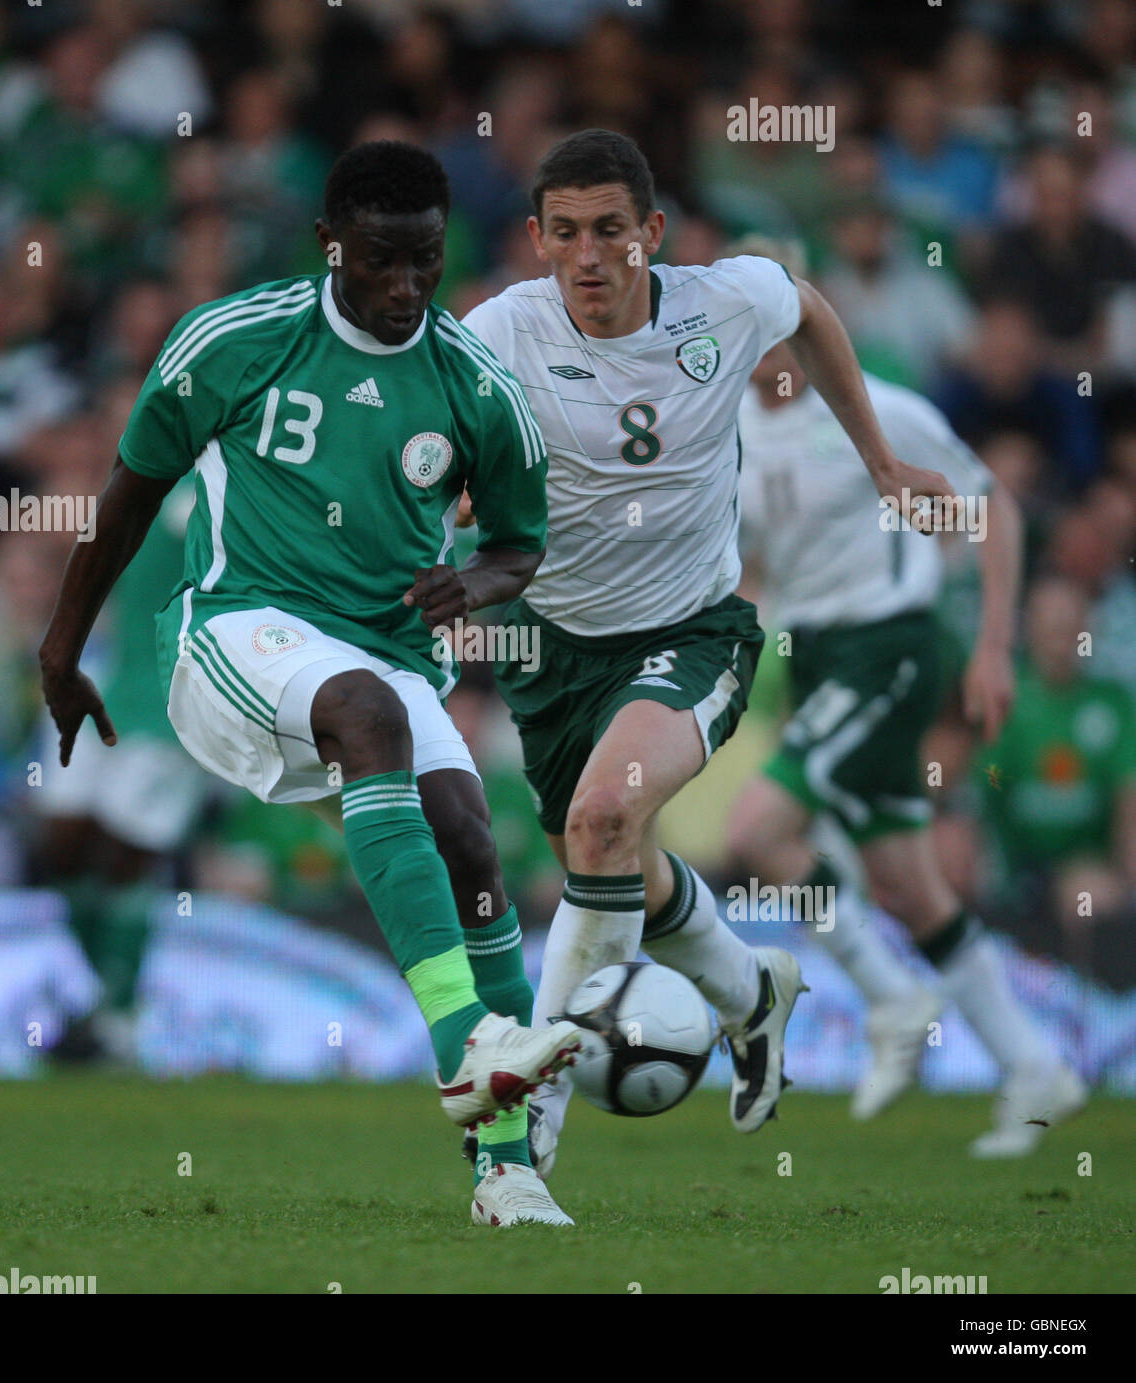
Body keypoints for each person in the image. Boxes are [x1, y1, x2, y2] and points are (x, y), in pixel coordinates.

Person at [38, 141, 581, 1227]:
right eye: (381, 261)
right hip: (236, 633)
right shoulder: (233, 340)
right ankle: (464, 1042)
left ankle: (507, 1169)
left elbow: (524, 539)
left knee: (470, 834)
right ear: (329, 244)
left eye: (425, 262)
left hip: (383, 653)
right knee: (369, 716)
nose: (405, 287)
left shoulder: (474, 386)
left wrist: (475, 581)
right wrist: (60, 651)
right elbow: (131, 498)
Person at [458, 129, 956, 1181]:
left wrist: (879, 461)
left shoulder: (723, 301)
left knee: (601, 821)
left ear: (653, 233)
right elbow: (437, 443)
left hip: (689, 630)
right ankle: (749, 994)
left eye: (608, 231)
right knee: (613, 865)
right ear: (536, 240)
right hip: (549, 648)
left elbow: (810, 311)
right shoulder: (500, 328)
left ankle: (532, 1099)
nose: (587, 257)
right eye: (563, 234)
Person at [730, 323, 1088, 1158]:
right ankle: (1035, 1067)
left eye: (776, 334)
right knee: (908, 886)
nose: (760, 354)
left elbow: (989, 501)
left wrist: (995, 644)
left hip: (887, 648)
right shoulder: (730, 434)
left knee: (757, 830)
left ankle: (890, 995)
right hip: (817, 660)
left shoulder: (876, 413)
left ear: (805, 340)